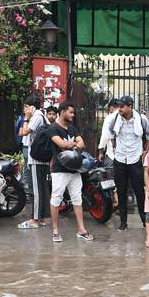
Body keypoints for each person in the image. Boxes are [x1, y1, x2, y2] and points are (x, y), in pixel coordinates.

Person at [104, 94, 149, 233]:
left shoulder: (141, 119)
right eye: (118, 106)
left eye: (121, 106)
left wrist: (146, 150)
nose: (118, 109)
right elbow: (111, 134)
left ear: (130, 107)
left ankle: (145, 222)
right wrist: (115, 149)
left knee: (139, 192)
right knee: (121, 191)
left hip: (135, 159)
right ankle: (123, 223)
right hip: (120, 159)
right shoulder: (114, 119)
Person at [48, 101, 94, 243]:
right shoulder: (53, 129)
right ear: (62, 112)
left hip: (75, 170)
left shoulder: (72, 129)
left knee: (77, 198)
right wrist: (74, 144)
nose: (73, 115)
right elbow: (61, 144)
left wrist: (72, 144)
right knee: (56, 198)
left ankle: (81, 230)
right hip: (59, 170)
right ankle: (55, 231)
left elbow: (82, 143)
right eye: (71, 112)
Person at [98, 97, 123, 161]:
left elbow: (105, 136)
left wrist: (101, 152)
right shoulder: (127, 116)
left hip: (112, 154)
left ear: (111, 108)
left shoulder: (109, 118)